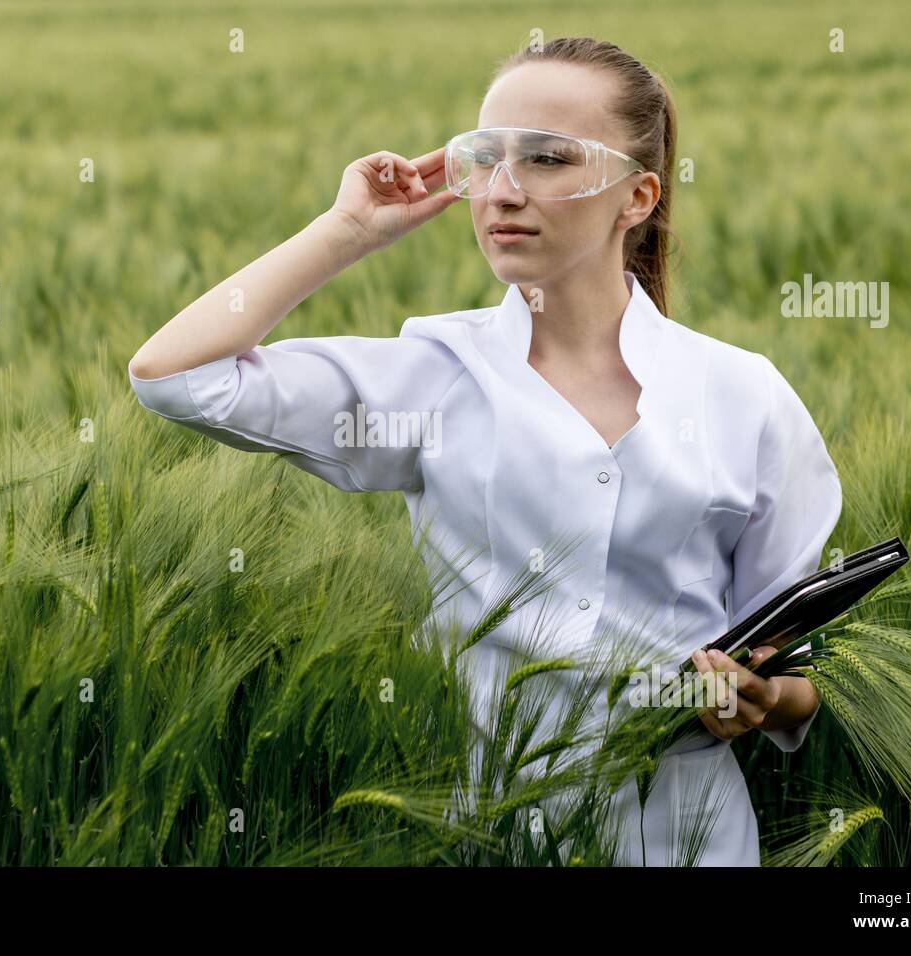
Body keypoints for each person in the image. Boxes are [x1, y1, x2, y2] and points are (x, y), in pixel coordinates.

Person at [128, 36, 841, 866]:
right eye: (483, 158)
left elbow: (802, 673)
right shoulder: (430, 378)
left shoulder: (743, 394)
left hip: (689, 837)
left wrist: (762, 698)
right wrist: (348, 231)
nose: (503, 192)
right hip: (488, 831)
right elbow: (175, 376)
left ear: (637, 196)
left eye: (546, 159)